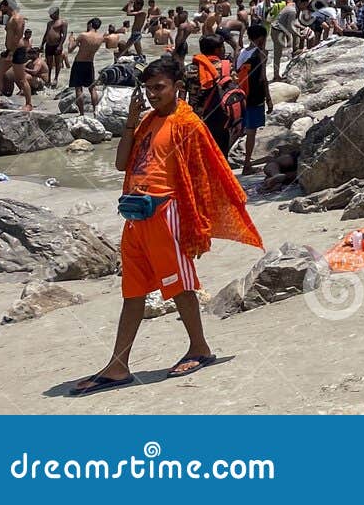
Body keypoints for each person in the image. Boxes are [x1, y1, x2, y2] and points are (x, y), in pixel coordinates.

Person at [69, 55, 262, 395]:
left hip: (167, 214)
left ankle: (199, 348)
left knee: (179, 286)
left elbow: (206, 172)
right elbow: (119, 164)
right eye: (148, 89)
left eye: (159, 88)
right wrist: (130, 120)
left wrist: (196, 221)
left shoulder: (187, 123)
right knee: (133, 291)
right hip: (135, 217)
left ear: (178, 88)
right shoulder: (145, 122)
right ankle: (118, 366)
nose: (153, 95)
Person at [234, 22, 273, 175]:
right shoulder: (261, 54)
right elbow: (263, 78)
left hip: (240, 95)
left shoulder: (242, 52)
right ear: (261, 38)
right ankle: (247, 165)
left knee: (238, 129)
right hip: (255, 96)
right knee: (251, 131)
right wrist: (268, 99)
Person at [191, 35, 236, 156]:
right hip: (221, 117)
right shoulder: (226, 67)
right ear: (218, 49)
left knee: (201, 155)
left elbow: (181, 95)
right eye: (223, 47)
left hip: (196, 118)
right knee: (221, 154)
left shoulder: (190, 69)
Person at [66, 18, 115, 115]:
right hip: (90, 63)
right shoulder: (101, 37)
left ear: (91, 24)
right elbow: (88, 47)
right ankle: (95, 111)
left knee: (78, 88)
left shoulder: (83, 35)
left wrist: (71, 40)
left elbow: (70, 49)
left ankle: (82, 113)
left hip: (79, 63)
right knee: (92, 88)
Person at [0, 0, 33, 111]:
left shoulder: (17, 18)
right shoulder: (10, 18)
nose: (0, 10)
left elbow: (18, 36)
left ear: (7, 6)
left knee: (21, 78)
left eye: (1, 7)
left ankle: (29, 104)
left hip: (17, 51)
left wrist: (12, 52)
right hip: (9, 51)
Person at [41, 7, 69, 85]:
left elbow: (64, 34)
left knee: (57, 63)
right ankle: (49, 79)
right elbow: (46, 34)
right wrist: (42, 44)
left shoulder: (63, 22)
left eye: (52, 14)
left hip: (57, 45)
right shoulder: (49, 23)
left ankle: (56, 78)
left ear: (57, 13)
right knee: (49, 64)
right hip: (48, 45)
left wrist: (60, 45)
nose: (50, 16)